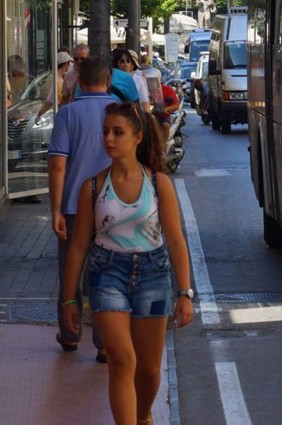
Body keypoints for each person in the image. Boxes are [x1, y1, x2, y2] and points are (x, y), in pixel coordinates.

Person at [62, 102, 193, 425]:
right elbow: (78, 245)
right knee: (122, 360)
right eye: (105, 132)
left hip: (154, 274)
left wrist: (184, 292)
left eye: (117, 132)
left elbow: (175, 240)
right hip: (107, 274)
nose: (108, 138)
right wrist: (68, 298)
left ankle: (143, 413)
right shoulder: (91, 187)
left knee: (148, 371)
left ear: (136, 137)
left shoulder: (158, 184)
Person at [48, 57, 115, 360]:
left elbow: (58, 166)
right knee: (107, 274)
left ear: (78, 80)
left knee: (69, 272)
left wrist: (56, 210)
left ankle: (70, 333)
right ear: (109, 79)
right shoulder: (121, 112)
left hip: (75, 207)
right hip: (114, 206)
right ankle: (104, 341)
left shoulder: (67, 114)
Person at [35, 50, 73, 123]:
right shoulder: (58, 81)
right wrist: (39, 114)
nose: (69, 65)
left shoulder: (57, 79)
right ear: (65, 64)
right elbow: (49, 101)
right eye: (69, 63)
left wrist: (40, 114)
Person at [112, 47, 151, 112]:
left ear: (131, 63)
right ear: (117, 63)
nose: (125, 63)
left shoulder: (138, 79)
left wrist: (147, 116)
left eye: (128, 60)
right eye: (122, 61)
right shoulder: (111, 77)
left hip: (132, 113)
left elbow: (144, 99)